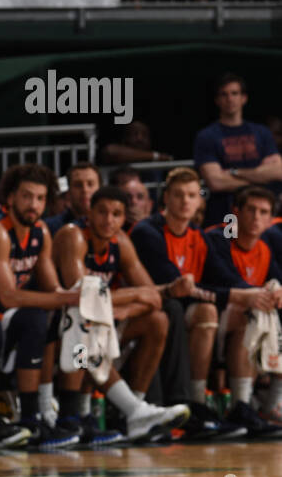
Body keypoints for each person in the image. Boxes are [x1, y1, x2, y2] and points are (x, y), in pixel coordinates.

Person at [51, 185, 192, 442]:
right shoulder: (73, 236)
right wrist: (134, 296)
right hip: (57, 319)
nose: (109, 220)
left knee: (158, 320)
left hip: (100, 319)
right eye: (102, 212)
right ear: (89, 214)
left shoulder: (121, 242)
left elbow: (152, 296)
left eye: (116, 214)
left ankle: (137, 414)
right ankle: (114, 411)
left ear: (124, 218)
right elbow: (82, 296)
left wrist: (126, 308)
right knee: (87, 320)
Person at [0, 164, 81, 446]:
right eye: (27, 196)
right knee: (15, 321)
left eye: (40, 198)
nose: (34, 204)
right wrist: (68, 297)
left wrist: (75, 296)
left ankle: (38, 417)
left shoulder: (40, 232)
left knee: (50, 317)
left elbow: (53, 289)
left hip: (4, 315)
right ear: (11, 198)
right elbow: (9, 296)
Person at [130, 166, 256, 437]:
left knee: (248, 312)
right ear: (165, 198)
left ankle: (243, 405)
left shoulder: (198, 236)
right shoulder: (147, 232)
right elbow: (177, 287)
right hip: (157, 310)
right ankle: (195, 403)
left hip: (186, 312)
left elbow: (225, 277)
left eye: (191, 195)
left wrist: (258, 294)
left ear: (200, 200)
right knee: (205, 310)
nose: (185, 201)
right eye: (178, 195)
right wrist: (241, 295)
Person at [202, 186, 282, 433]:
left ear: (271, 220)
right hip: (210, 317)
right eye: (251, 210)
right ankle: (241, 405)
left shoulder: (264, 249)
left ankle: (271, 404)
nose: (256, 217)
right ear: (235, 212)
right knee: (252, 311)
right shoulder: (219, 237)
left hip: (242, 321)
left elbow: (274, 281)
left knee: (265, 308)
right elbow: (227, 280)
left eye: (263, 212)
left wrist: (276, 291)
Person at [194, 73, 282, 227]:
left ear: (244, 98)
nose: (230, 99)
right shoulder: (207, 136)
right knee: (228, 250)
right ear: (217, 100)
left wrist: (235, 172)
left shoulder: (262, 133)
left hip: (262, 213)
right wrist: (259, 177)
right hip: (226, 215)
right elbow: (215, 181)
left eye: (234, 93)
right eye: (224, 94)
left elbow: (277, 171)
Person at [47, 161, 100, 233]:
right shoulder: (49, 227)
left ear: (100, 189)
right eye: (78, 185)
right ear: (68, 192)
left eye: (90, 184)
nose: (85, 190)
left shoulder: (111, 225)